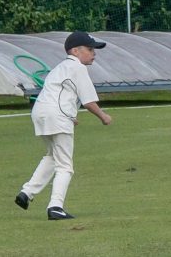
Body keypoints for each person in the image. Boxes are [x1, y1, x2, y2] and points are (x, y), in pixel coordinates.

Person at [15, 31, 114, 220]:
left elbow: (59, 94)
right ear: (75, 51)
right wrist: (103, 116)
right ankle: (55, 207)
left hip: (41, 113)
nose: (94, 53)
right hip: (56, 115)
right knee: (65, 165)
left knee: (52, 156)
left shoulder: (59, 68)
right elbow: (88, 101)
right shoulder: (77, 68)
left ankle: (26, 193)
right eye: (90, 49)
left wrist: (69, 115)